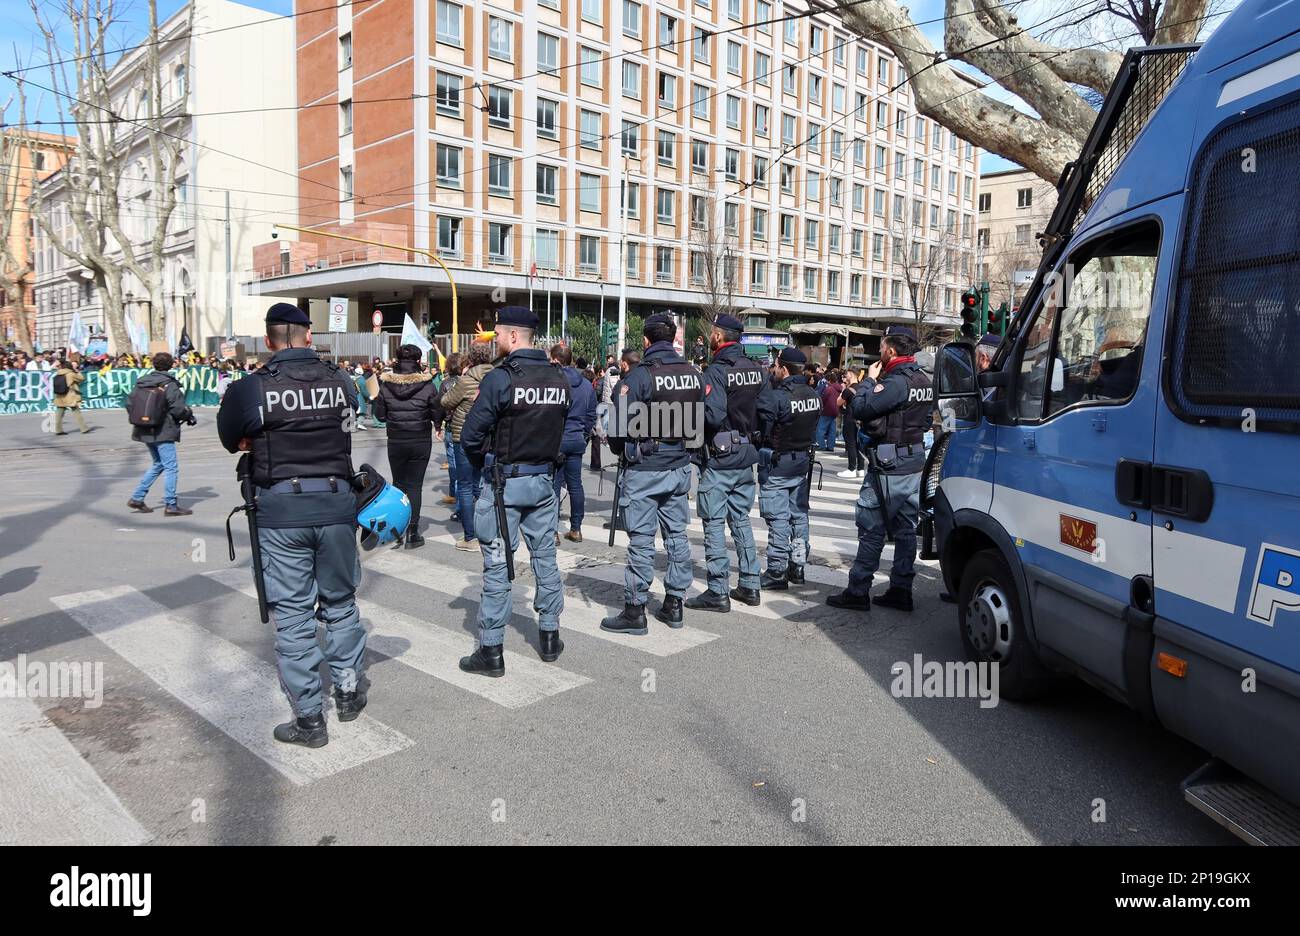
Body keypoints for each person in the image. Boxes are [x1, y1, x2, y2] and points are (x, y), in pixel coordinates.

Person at [216, 302, 366, 747]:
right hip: (338, 506)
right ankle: (348, 691)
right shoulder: (341, 381)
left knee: (295, 615)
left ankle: (309, 720)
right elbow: (349, 422)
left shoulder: (250, 389)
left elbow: (231, 439)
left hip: (281, 513)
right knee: (340, 602)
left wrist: (258, 434)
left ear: (268, 341)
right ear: (307, 336)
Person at [457, 307, 570, 676]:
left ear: (513, 337)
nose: (496, 340)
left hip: (504, 482)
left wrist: (483, 464)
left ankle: (491, 651)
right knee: (545, 559)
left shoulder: (500, 379)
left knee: (496, 564)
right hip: (543, 482)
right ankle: (550, 636)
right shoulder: (559, 377)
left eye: (498, 334)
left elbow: (470, 436)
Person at [601, 315, 702, 634]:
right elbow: (697, 426)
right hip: (678, 466)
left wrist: (626, 449)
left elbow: (617, 433)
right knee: (677, 536)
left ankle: (635, 610)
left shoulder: (639, 378)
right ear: (673, 339)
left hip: (644, 469)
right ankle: (674, 603)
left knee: (642, 539)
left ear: (646, 341)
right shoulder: (692, 374)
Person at [828, 325, 934, 613]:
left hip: (888, 466)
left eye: (883, 346)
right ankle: (901, 589)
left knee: (871, 527)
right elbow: (924, 423)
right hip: (912, 462)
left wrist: (867, 381)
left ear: (892, 350)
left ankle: (858, 589)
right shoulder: (923, 380)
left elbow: (862, 409)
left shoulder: (896, 383)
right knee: (905, 529)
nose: (881, 352)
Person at [684, 313, 764, 612]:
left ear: (719, 336)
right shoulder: (755, 369)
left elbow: (713, 415)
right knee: (741, 520)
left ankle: (717, 589)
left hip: (720, 459)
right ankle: (749, 584)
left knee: (714, 522)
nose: (711, 336)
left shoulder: (716, 371)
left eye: (713, 331)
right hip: (746, 456)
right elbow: (766, 409)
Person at [755, 347, 819, 590]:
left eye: (776, 365)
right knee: (799, 516)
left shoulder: (779, 397)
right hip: (802, 463)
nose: (774, 369)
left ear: (783, 368)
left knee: (779, 520)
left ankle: (777, 571)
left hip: (779, 464)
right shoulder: (813, 394)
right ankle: (798, 566)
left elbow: (764, 426)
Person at [373, 343, 438, 548]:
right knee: (415, 486)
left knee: (399, 485)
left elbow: (380, 416)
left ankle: (397, 530)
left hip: (396, 439)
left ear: (397, 361)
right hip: (420, 440)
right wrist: (436, 423)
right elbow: (437, 410)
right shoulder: (428, 385)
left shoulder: (386, 385)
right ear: (418, 361)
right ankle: (413, 532)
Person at [126, 352, 195, 516]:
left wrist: (143, 419)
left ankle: (137, 497)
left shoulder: (141, 383)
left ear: (154, 365)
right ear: (171, 365)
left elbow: (129, 403)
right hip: (163, 430)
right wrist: (189, 415)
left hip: (144, 429)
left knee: (158, 464)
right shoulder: (169, 384)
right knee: (171, 467)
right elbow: (178, 409)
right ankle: (170, 504)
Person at [441, 341, 494, 550]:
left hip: (463, 435)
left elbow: (445, 401)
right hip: (488, 437)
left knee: (464, 485)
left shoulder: (466, 380)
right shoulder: (497, 377)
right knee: (482, 485)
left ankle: (470, 537)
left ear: (470, 359)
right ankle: (487, 530)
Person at [550, 343, 597, 543]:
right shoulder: (586, 384)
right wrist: (584, 436)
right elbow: (591, 415)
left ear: (555, 360)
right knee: (575, 485)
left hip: (556, 439)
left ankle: (552, 531)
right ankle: (576, 528)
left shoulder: (552, 381)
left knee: (553, 485)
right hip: (577, 439)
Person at [436, 352, 461, 510]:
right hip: (468, 426)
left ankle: (454, 494)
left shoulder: (445, 384)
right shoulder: (468, 381)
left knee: (453, 463)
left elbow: (440, 407)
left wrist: (438, 426)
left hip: (452, 426)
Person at [52, 357, 91, 435]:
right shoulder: (71, 374)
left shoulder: (58, 373)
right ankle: (83, 428)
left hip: (60, 396)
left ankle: (58, 430)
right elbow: (82, 379)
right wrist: (77, 371)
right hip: (70, 395)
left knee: (59, 413)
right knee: (76, 412)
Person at [838, 370, 865, 478]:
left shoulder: (848, 390)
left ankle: (851, 468)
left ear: (853, 375)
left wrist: (843, 389)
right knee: (859, 444)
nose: (845, 377)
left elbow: (838, 402)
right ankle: (861, 468)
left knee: (851, 443)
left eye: (847, 375)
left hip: (850, 418)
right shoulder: (863, 388)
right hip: (860, 419)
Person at [816, 369, 842, 452]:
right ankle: (830, 446)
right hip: (835, 411)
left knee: (820, 429)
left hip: (827, 411)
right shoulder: (840, 388)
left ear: (830, 380)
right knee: (832, 430)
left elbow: (823, 399)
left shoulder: (829, 389)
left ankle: (821, 445)